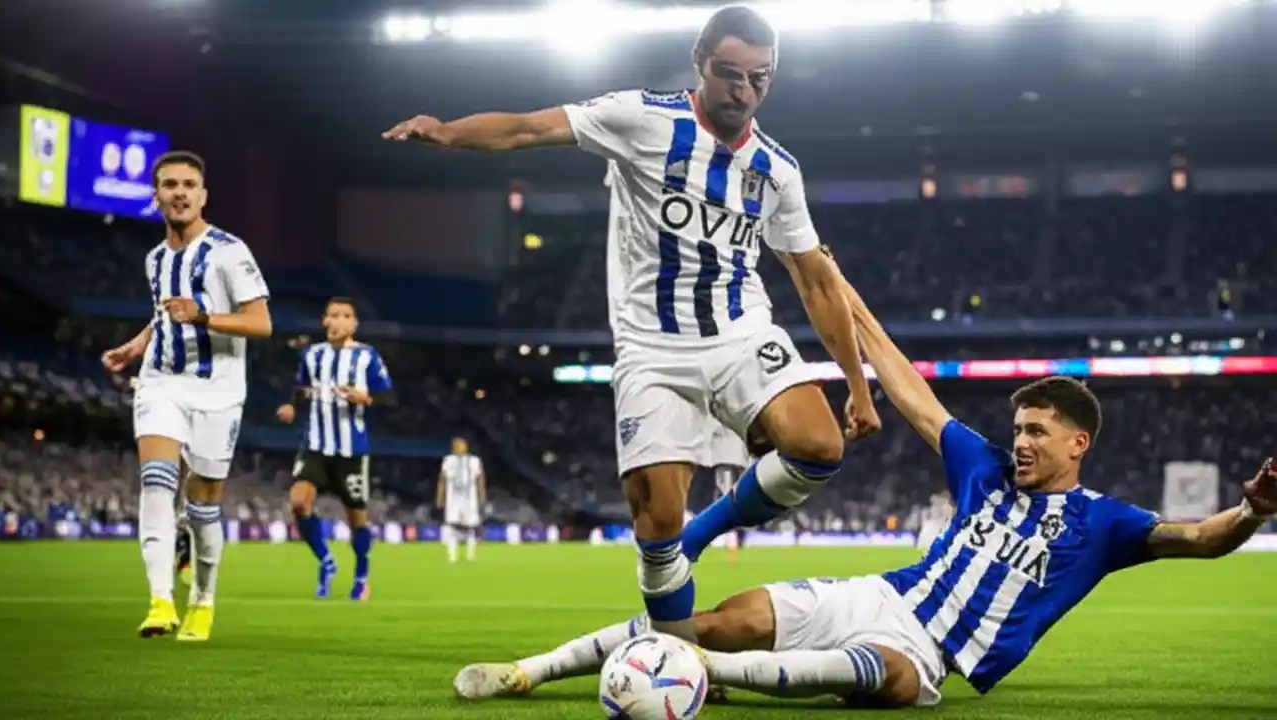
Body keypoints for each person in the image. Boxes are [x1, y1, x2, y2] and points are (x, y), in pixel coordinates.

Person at [451, 281, 1277, 707]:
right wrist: (835, 288)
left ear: (1076, 444)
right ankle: (528, 672)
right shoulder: (981, 464)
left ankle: (698, 674)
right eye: (1017, 428)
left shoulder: (1105, 525)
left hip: (927, 653)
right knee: (723, 617)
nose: (1019, 441)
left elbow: (1201, 540)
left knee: (886, 679)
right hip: (878, 594)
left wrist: (1254, 511)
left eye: (1036, 432)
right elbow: (909, 388)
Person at [384, 4, 878, 641]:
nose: (745, 89)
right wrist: (448, 133)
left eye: (761, 78)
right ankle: (678, 657)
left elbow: (815, 280)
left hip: (739, 332)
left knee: (820, 446)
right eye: (731, 73)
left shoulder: (777, 170)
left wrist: (858, 390)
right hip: (651, 346)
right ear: (700, 62)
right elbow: (529, 129)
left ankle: (706, 534)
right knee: (656, 520)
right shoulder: (642, 117)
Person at [101, 150, 272, 641]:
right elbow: (163, 315)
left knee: (202, 508)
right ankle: (159, 600)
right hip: (161, 383)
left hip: (219, 392)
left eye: (188, 184)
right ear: (156, 196)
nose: (179, 192)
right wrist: (135, 347)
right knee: (156, 483)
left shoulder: (229, 251)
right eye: (169, 184)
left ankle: (203, 598)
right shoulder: (155, 258)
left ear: (203, 195)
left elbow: (261, 323)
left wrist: (202, 315)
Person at [277, 297, 394, 600]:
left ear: (354, 324)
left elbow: (387, 396)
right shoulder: (312, 355)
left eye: (345, 316)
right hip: (315, 445)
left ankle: (361, 575)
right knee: (299, 503)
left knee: (357, 522)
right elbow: (301, 388)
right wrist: (291, 405)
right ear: (325, 321)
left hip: (351, 452)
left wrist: (365, 399)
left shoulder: (368, 357)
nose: (338, 320)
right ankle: (326, 561)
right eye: (333, 315)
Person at [698, 416, 752, 562]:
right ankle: (736, 535)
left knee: (725, 497)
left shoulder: (717, 414)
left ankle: (729, 535)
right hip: (741, 458)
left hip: (726, 458)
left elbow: (708, 432)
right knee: (739, 496)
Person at [437, 438, 486, 564]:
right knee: (452, 527)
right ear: (453, 448)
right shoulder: (448, 461)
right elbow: (442, 480)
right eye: (458, 446)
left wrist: (482, 495)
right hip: (453, 500)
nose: (460, 448)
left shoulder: (474, 461)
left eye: (462, 445)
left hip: (470, 500)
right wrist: (440, 497)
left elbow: (480, 479)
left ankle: (470, 555)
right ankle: (452, 556)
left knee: (471, 527)